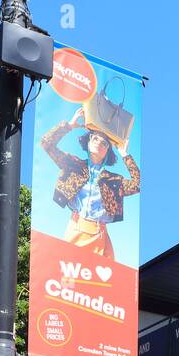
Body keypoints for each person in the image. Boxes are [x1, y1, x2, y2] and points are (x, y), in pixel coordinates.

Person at [40, 106, 141, 260]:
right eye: (95, 138)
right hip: (76, 227)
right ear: (88, 142)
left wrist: (124, 154)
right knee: (68, 268)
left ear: (107, 152)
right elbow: (46, 143)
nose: (99, 143)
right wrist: (69, 126)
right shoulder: (73, 164)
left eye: (104, 143)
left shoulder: (113, 180)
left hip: (100, 234)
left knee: (103, 273)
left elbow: (138, 184)